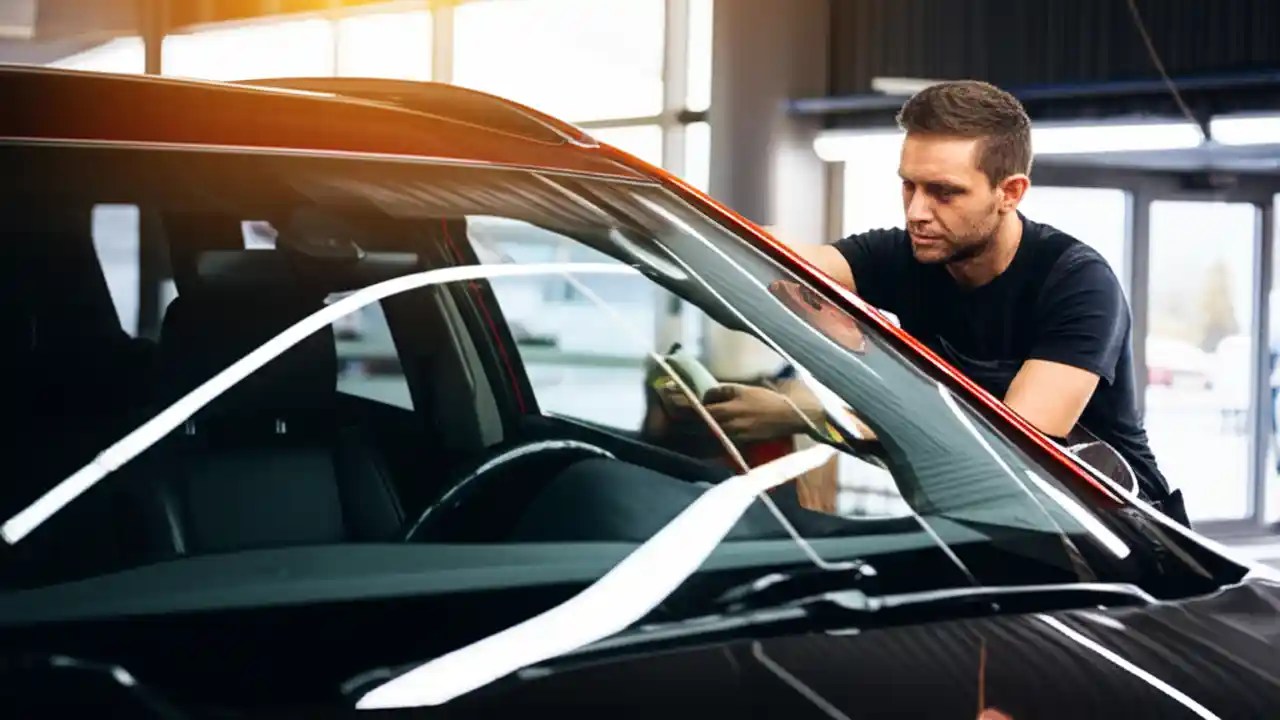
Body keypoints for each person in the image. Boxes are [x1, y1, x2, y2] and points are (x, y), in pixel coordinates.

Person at [703, 79, 1190, 527]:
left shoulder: (1076, 282)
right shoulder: (907, 255)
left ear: (1011, 192)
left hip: (1124, 540)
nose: (917, 211)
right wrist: (677, 229)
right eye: (909, 185)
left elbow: (1010, 448)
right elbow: (781, 262)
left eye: (944, 193)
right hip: (992, 525)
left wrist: (807, 412)